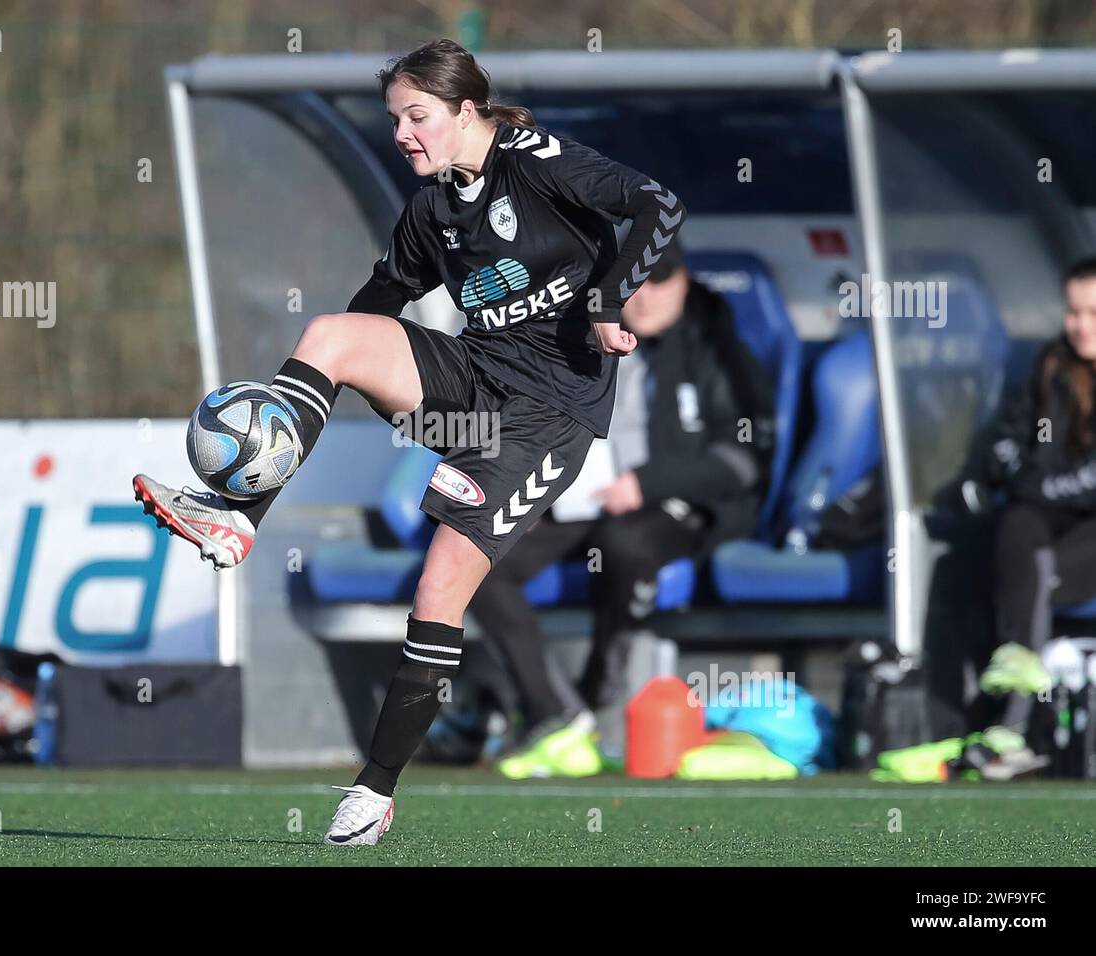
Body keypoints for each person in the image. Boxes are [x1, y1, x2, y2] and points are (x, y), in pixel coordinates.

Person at [133, 38, 685, 843]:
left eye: (416, 116)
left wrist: (606, 303)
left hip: (543, 421)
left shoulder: (535, 161)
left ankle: (374, 791)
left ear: (468, 111)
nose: (402, 135)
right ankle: (237, 515)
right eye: (395, 120)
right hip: (470, 385)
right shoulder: (433, 207)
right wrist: (322, 377)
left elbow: (656, 205)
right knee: (333, 332)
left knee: (437, 593)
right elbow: (381, 296)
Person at [468, 245, 774, 778]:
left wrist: (648, 482)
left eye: (663, 280)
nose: (649, 295)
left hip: (673, 508)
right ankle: (557, 716)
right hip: (583, 500)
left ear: (684, 282)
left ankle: (596, 691)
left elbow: (742, 462)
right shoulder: (583, 344)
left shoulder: (716, 348)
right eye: (638, 282)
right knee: (475, 560)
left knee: (624, 544)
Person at [950, 256, 1096, 752]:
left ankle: (1011, 727)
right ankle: (1006, 718)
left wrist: (1034, 483)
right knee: (1018, 531)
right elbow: (1009, 445)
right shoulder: (1052, 368)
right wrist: (1014, 475)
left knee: (1035, 567)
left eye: (1093, 314)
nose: (1080, 327)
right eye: (1073, 313)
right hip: (1046, 521)